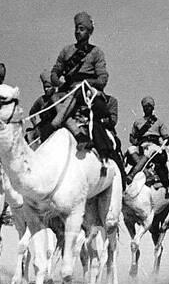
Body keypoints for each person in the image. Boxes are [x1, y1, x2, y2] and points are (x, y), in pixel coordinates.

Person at [47, 11, 124, 177]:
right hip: (67, 91)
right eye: (76, 28)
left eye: (81, 29)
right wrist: (58, 82)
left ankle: (59, 122)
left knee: (88, 111)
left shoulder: (96, 52)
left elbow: (102, 79)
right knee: (50, 102)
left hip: (88, 93)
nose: (77, 32)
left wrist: (85, 83)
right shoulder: (66, 51)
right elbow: (55, 72)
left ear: (89, 32)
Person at [128, 95, 169, 190]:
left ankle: (133, 174)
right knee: (130, 149)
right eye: (145, 106)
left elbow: (166, 137)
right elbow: (132, 137)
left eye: (149, 106)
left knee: (150, 150)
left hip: (154, 146)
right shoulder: (137, 122)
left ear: (153, 108)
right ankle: (145, 172)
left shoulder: (159, 122)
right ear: (143, 108)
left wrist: (166, 140)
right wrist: (134, 141)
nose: (147, 108)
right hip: (141, 145)